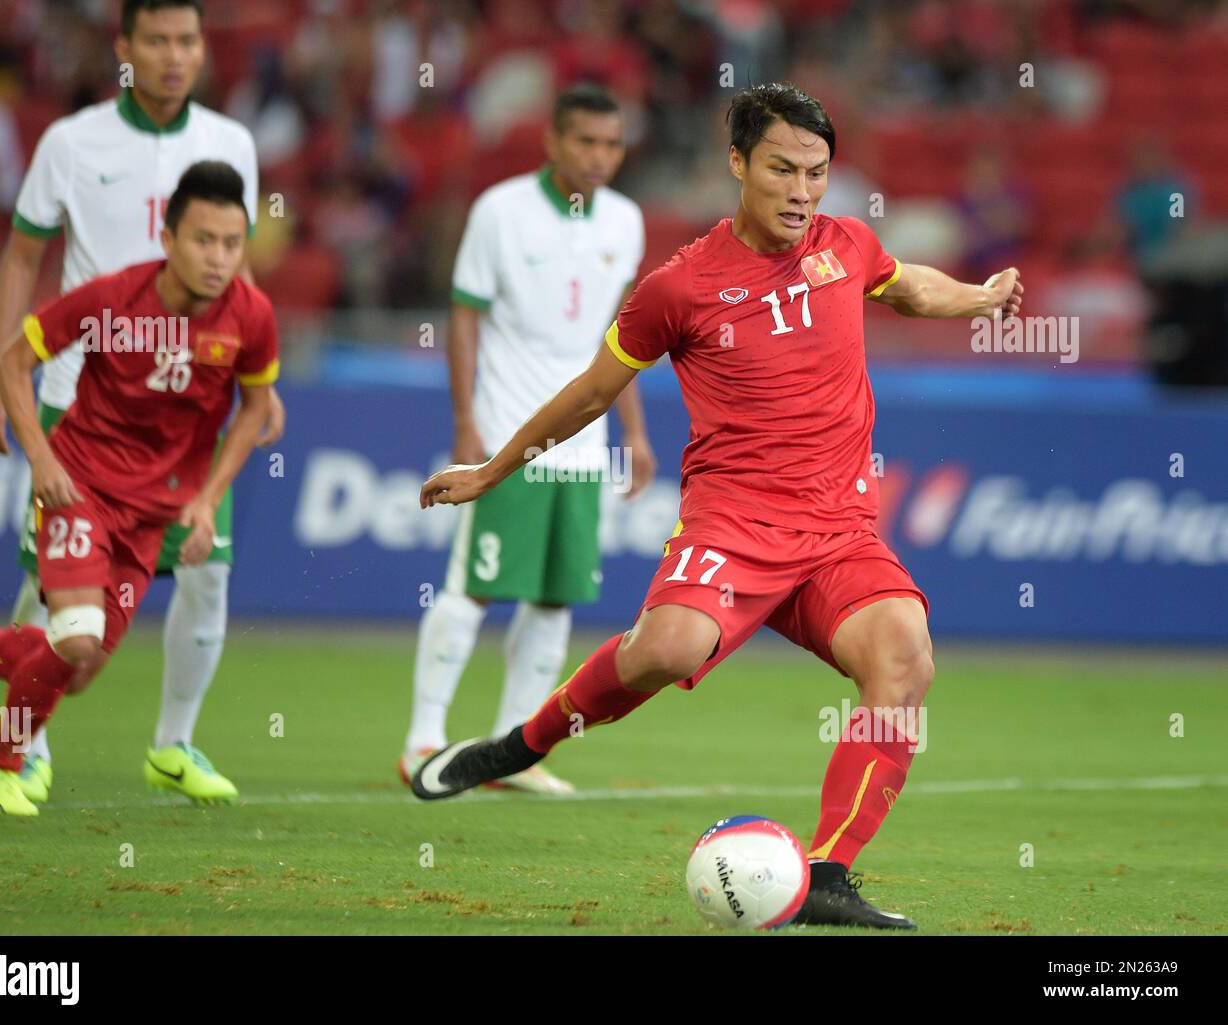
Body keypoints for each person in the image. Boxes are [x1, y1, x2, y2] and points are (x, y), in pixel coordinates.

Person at [410, 83, 1024, 929]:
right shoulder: (682, 286)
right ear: (737, 163)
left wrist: (980, 298)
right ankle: (521, 743)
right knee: (664, 648)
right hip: (733, 524)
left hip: (838, 532)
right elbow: (594, 391)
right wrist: (492, 469)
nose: (802, 191)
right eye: (782, 169)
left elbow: (907, 287)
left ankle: (829, 873)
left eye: (817, 172)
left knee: (905, 655)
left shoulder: (846, 245)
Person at [0, 0, 281, 805]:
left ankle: (173, 743)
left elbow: (232, 256)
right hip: (77, 399)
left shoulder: (230, 143)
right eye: (158, 41)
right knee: (47, 589)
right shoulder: (71, 143)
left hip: (186, 417)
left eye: (188, 41)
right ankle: (26, 742)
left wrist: (260, 381)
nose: (174, 56)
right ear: (124, 47)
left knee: (208, 572)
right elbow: (20, 258)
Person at [398, 83, 656, 794]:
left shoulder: (626, 222)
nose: (600, 157)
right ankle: (423, 736)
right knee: (473, 588)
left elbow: (623, 341)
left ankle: (513, 752)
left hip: (584, 446)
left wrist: (633, 432)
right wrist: (464, 422)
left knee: (554, 599)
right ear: (552, 141)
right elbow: (464, 316)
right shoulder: (500, 212)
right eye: (586, 142)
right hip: (511, 436)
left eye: (612, 144)